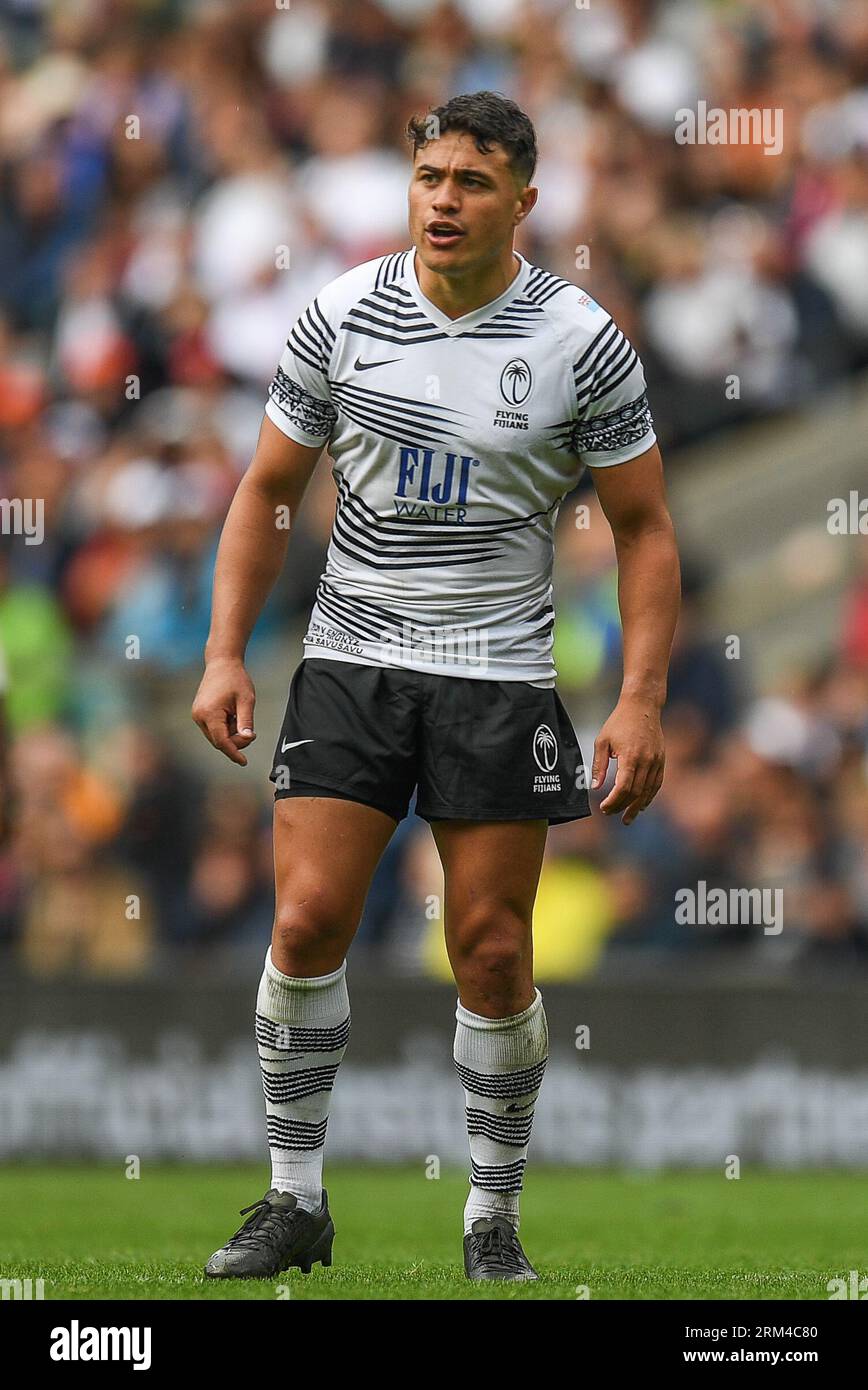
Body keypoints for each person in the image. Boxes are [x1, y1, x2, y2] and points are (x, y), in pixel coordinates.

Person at [192, 91, 680, 1283]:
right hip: (352, 659)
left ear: (524, 198)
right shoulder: (339, 315)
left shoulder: (579, 339)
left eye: (470, 181)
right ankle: (294, 1198)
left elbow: (645, 527)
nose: (444, 200)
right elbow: (265, 492)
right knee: (307, 922)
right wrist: (220, 649)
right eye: (428, 179)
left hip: (498, 675)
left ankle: (490, 1212)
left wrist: (640, 696)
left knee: (493, 952)